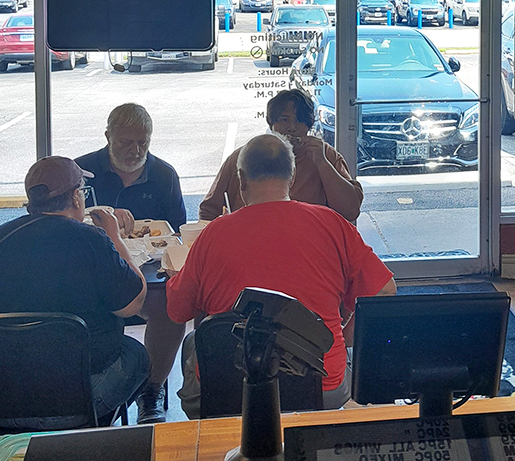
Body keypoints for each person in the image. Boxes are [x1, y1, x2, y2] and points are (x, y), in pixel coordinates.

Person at [167, 133, 396, 418]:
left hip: (232, 388)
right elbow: (384, 290)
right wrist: (343, 326)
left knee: (194, 343)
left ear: (241, 178)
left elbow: (178, 312)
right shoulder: (332, 224)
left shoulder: (213, 234)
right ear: (292, 175)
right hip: (321, 386)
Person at [0, 156, 150, 428]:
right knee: (137, 354)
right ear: (76, 197)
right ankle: (92, 434)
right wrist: (115, 237)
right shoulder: (92, 240)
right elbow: (133, 303)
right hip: (76, 399)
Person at [76, 103, 188, 423]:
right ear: (108, 136)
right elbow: (61, 221)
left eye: (143, 142)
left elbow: (177, 234)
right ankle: (88, 389)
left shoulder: (164, 174)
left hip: (148, 272)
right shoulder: (82, 171)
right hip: (93, 276)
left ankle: (151, 389)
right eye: (126, 142)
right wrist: (105, 215)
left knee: (171, 307)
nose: (135, 150)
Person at [199, 89, 363, 222]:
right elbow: (208, 210)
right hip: (250, 243)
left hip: (309, 246)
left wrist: (322, 163)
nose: (291, 128)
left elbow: (350, 211)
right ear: (271, 123)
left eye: (299, 121)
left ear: (309, 125)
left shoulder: (325, 155)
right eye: (284, 120)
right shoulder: (246, 156)